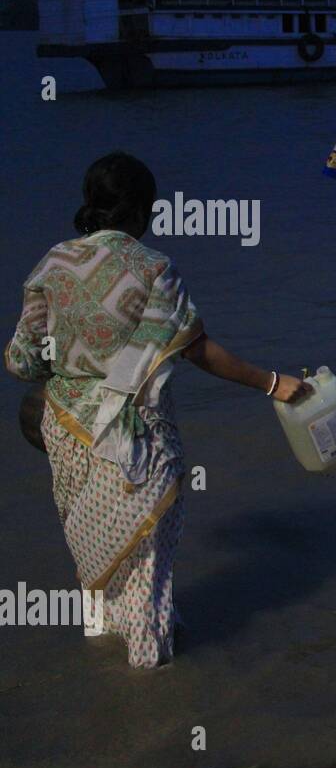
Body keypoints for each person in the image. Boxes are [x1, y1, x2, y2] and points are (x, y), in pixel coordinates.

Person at [4, 152, 312, 669]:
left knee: (98, 571)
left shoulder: (51, 265)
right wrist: (272, 383)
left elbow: (21, 361)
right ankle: (154, 696)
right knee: (146, 575)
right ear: (144, 210)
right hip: (135, 443)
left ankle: (102, 688)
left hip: (68, 433)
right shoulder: (154, 270)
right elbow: (196, 350)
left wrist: (75, 364)